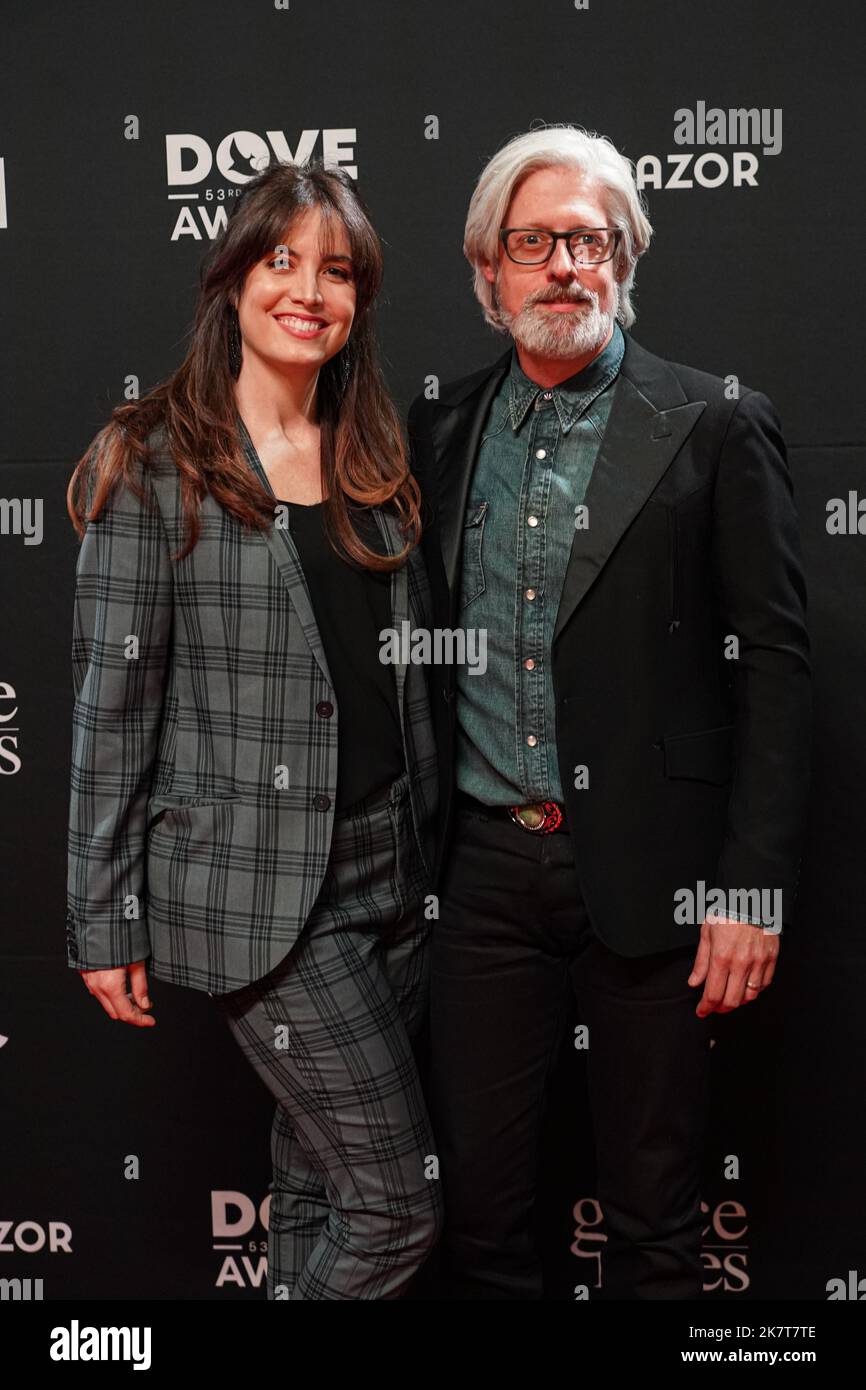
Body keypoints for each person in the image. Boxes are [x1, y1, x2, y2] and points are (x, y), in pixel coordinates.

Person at [407, 123, 812, 1299]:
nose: (561, 266)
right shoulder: (437, 431)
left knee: (653, 1223)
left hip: (659, 874)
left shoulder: (714, 422)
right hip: (479, 875)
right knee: (478, 1223)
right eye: (530, 243)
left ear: (624, 259)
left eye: (586, 239)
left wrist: (747, 886)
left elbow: (775, 667)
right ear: (488, 272)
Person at [65, 159, 442, 1300]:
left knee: (322, 1187)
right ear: (232, 277)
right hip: (260, 891)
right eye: (281, 260)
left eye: (336, 270)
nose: (308, 290)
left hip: (396, 867)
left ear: (360, 299)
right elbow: (109, 705)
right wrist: (98, 913)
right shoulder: (153, 457)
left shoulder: (373, 454)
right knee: (395, 1210)